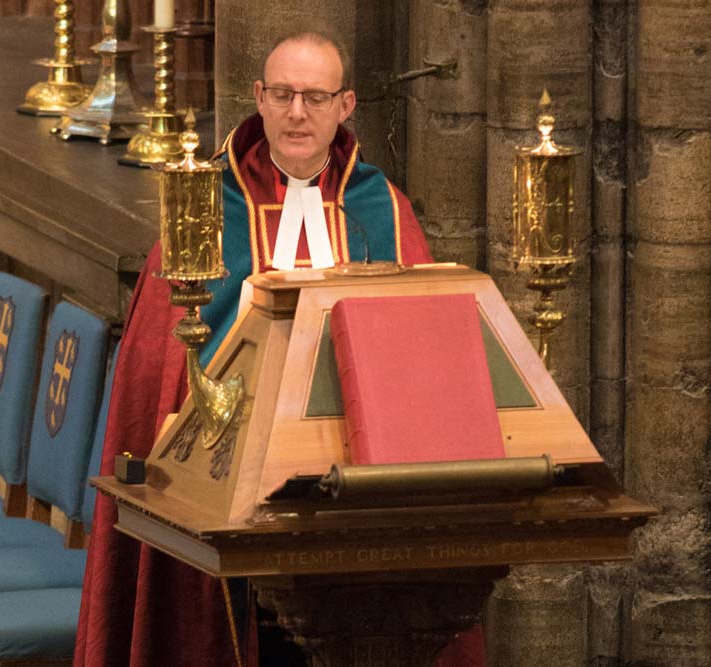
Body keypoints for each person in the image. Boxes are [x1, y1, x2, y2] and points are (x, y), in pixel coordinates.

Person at [74, 30, 483, 667]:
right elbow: (159, 365)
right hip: (235, 482)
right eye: (284, 95)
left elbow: (427, 353)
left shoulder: (384, 211)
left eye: (315, 97)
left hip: (356, 492)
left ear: (345, 106)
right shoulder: (205, 209)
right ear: (259, 98)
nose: (298, 113)